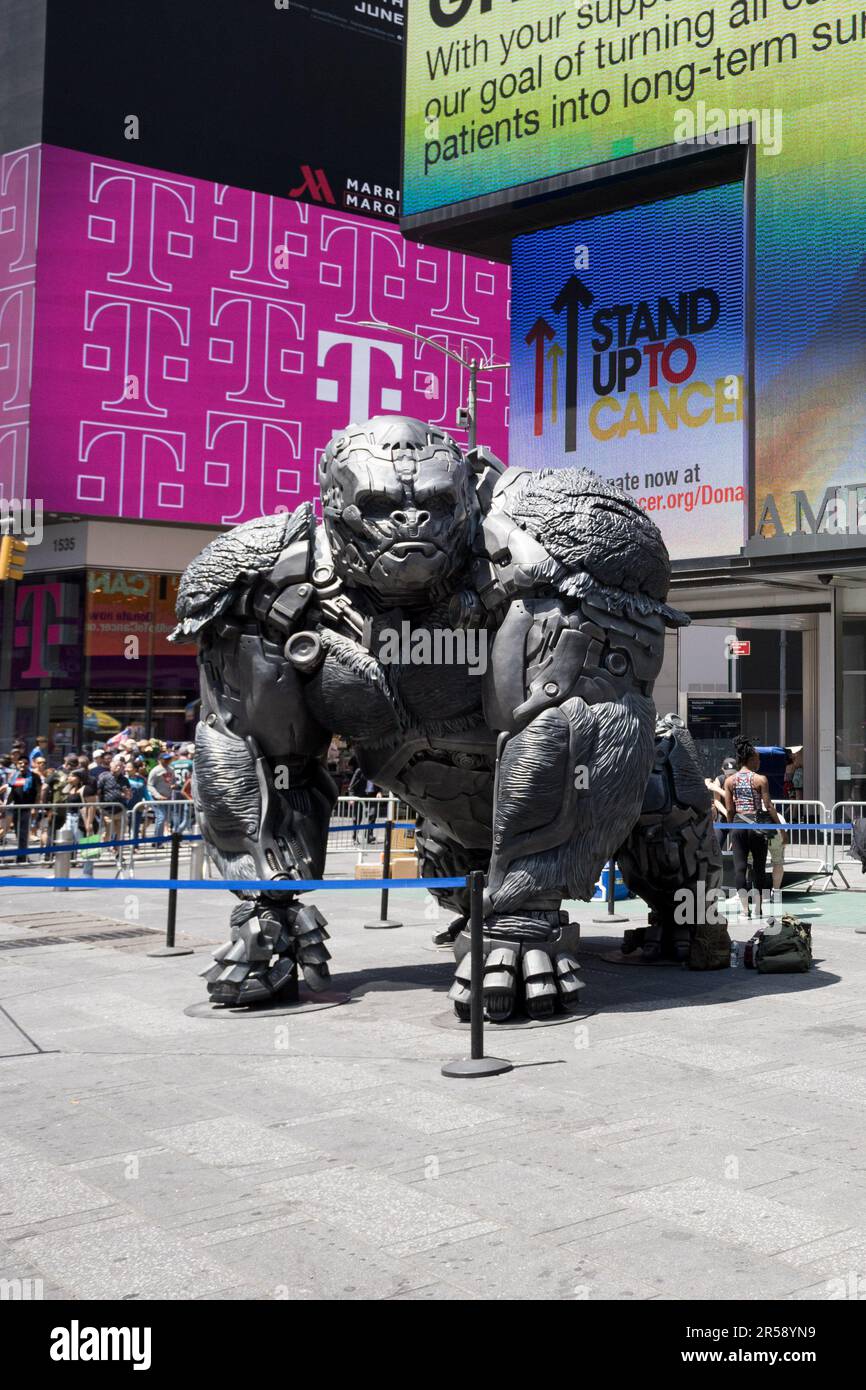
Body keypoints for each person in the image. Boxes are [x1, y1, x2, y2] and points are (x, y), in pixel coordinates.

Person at [724, 736, 784, 917]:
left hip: (739, 826)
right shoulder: (760, 779)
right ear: (750, 759)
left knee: (740, 868)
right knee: (759, 868)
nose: (759, 761)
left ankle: (744, 909)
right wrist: (780, 828)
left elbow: (729, 809)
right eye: (757, 758)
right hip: (758, 827)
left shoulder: (730, 781)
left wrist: (732, 828)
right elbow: (769, 806)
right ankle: (758, 908)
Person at [4, 756, 43, 864]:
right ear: (17, 764)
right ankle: (21, 854)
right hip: (16, 808)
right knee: (18, 832)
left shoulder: (34, 777)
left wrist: (35, 807)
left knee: (23, 833)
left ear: (28, 764)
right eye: (20, 763)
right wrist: (6, 805)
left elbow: (38, 793)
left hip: (27, 808)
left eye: (25, 763)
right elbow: (11, 791)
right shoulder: (14, 776)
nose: (23, 765)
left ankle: (22, 856)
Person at [147, 751, 176, 839]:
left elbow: (173, 781)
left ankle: (161, 838)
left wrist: (173, 785)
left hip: (167, 798)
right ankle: (157, 839)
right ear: (160, 760)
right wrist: (157, 795)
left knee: (167, 818)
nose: (167, 761)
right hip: (157, 798)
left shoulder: (171, 769)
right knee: (161, 817)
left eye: (169, 759)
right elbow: (149, 785)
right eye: (165, 759)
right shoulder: (155, 770)